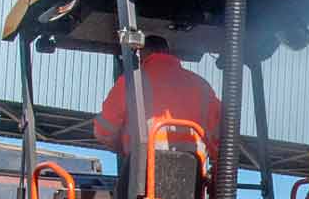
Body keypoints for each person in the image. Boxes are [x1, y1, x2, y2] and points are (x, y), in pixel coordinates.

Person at [93, 35, 222, 164]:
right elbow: (221, 135)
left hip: (143, 175)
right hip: (193, 178)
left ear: (141, 54)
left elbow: (104, 130)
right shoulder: (201, 86)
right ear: (169, 53)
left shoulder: (131, 82)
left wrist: (121, 146)